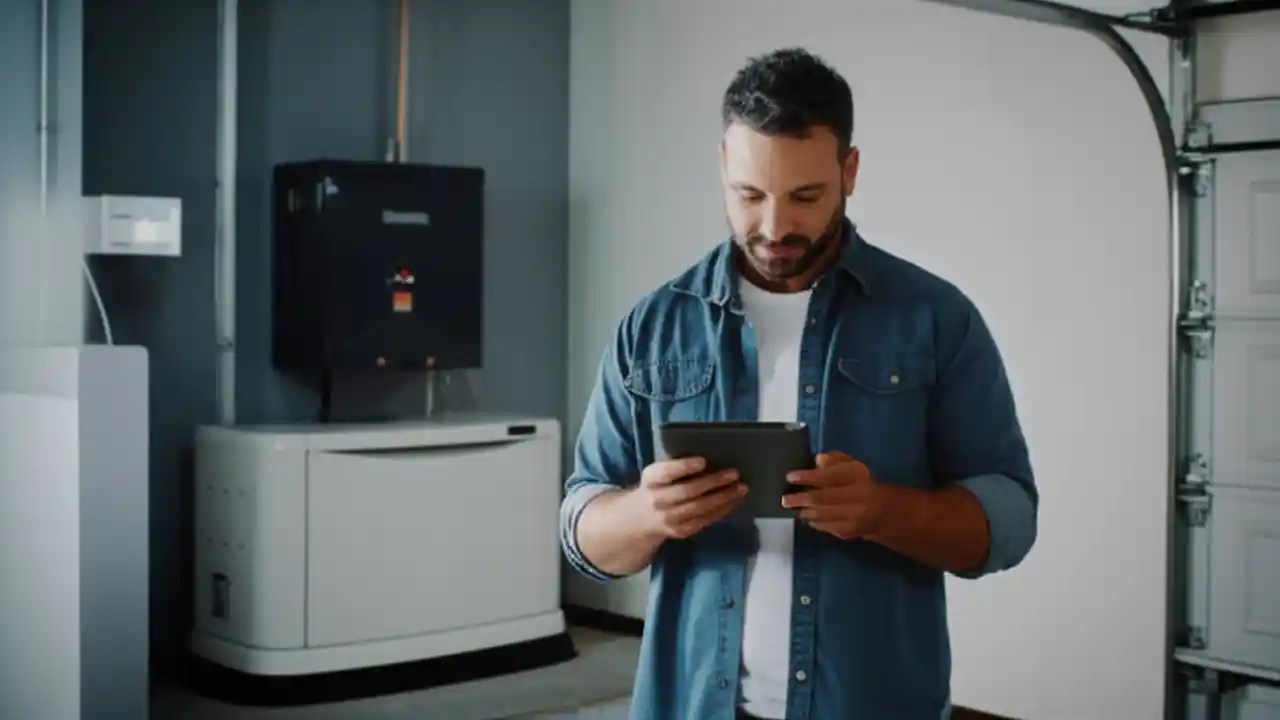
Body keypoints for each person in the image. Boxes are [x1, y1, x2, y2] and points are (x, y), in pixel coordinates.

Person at [559, 47, 1038, 720]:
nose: (776, 227)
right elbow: (583, 532)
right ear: (723, 168)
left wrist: (881, 512)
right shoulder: (652, 326)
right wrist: (646, 514)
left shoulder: (936, 318)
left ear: (850, 171)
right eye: (749, 196)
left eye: (805, 196)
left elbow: (1010, 521)